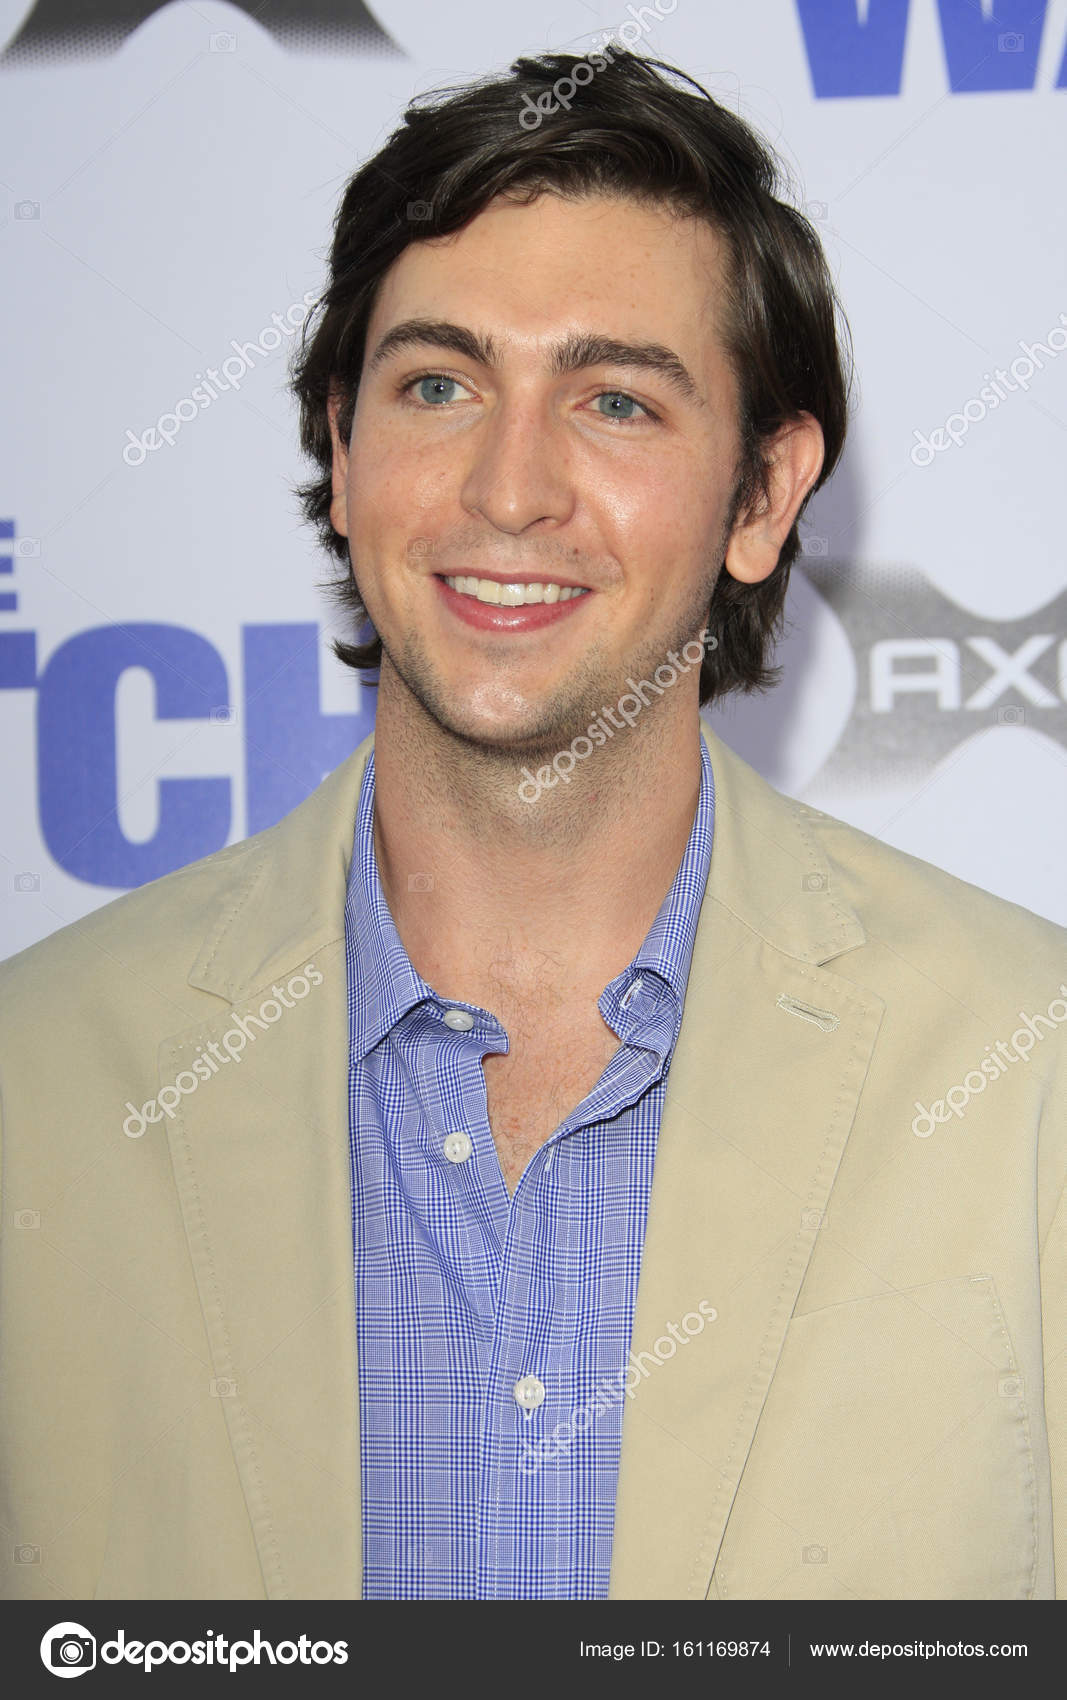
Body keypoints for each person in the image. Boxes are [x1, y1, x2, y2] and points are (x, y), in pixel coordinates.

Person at [1, 48, 1064, 1604]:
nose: (511, 489)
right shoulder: (38, 1085)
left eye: (616, 400)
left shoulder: (1029, 1074)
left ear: (763, 497)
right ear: (343, 454)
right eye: (439, 384)